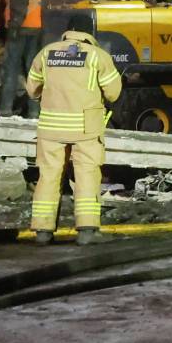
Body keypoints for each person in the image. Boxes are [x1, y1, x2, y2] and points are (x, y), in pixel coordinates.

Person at [25, 13, 124, 246]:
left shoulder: (46, 53)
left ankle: (42, 231)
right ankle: (87, 231)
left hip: (51, 129)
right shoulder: (98, 57)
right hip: (85, 129)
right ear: (90, 32)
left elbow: (32, 89)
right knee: (86, 175)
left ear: (68, 29)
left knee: (48, 176)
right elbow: (113, 93)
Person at [0, 0, 44, 118]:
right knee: (32, 70)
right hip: (34, 27)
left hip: (20, 28)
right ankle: (34, 111)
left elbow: (18, 3)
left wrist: (13, 26)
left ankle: (5, 109)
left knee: (11, 68)